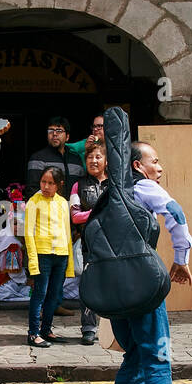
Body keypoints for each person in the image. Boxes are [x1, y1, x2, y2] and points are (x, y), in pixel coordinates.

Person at [100, 141, 192, 384]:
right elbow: (177, 214)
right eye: (155, 161)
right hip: (143, 286)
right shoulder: (144, 189)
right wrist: (181, 258)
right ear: (138, 166)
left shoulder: (108, 192)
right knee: (157, 358)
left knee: (136, 354)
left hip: (113, 288)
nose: (160, 168)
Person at [24, 166, 74, 348]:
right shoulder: (33, 202)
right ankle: (33, 333)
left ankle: (46, 330)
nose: (45, 186)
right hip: (42, 255)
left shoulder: (62, 203)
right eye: (43, 182)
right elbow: (28, 234)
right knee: (39, 294)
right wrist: (32, 261)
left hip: (61, 255)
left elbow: (67, 233)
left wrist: (69, 263)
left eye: (50, 183)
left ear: (59, 185)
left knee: (54, 295)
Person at [70, 138, 107, 345]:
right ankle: (88, 328)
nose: (94, 160)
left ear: (106, 161)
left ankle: (114, 329)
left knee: (112, 285)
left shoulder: (114, 185)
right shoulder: (78, 185)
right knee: (88, 286)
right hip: (88, 244)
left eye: (98, 157)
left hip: (113, 244)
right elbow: (75, 216)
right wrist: (99, 212)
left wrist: (91, 213)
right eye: (90, 157)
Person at [26, 116, 84, 200]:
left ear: (67, 137)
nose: (54, 134)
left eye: (59, 131)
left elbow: (81, 188)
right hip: (47, 210)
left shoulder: (76, 159)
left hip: (72, 209)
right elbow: (32, 191)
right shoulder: (38, 158)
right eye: (51, 131)